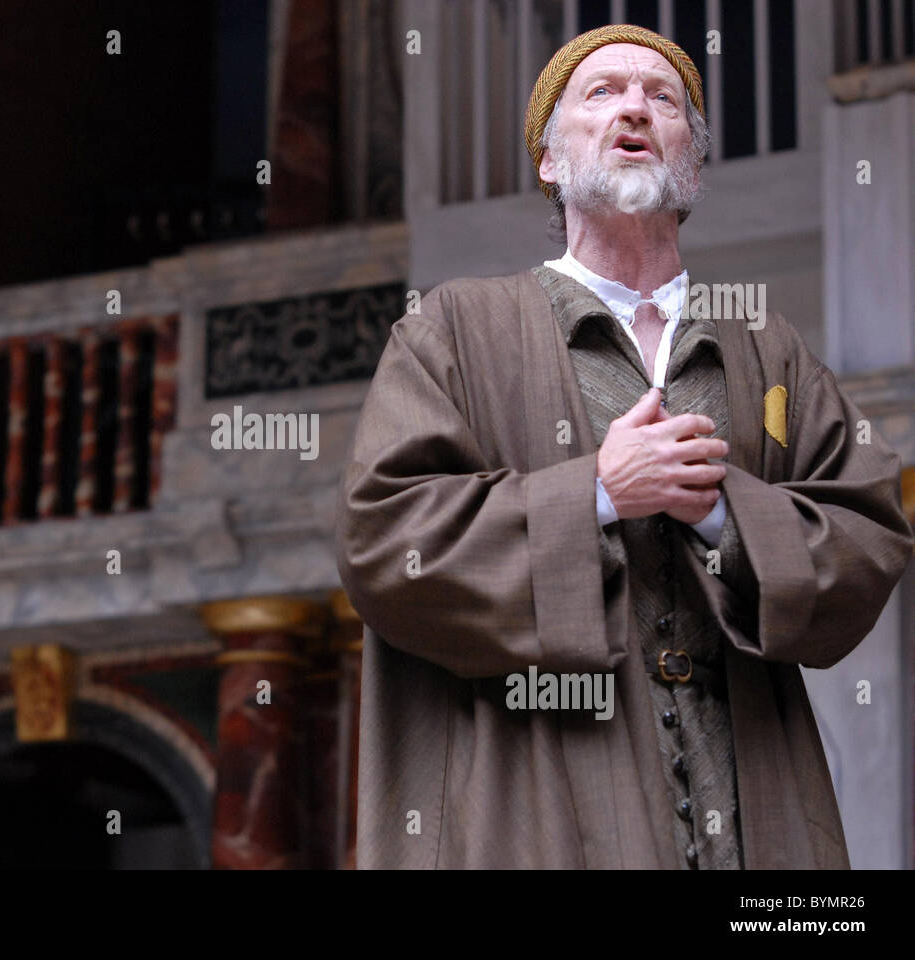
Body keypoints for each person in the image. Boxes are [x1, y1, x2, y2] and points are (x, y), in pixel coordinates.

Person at [336, 24, 913, 869]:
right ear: (548, 161)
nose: (635, 108)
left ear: (694, 165)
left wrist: (724, 512)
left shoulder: (767, 346)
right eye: (601, 93)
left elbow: (867, 531)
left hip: (758, 824)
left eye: (664, 97)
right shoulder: (452, 329)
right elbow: (385, 540)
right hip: (541, 811)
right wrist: (600, 492)